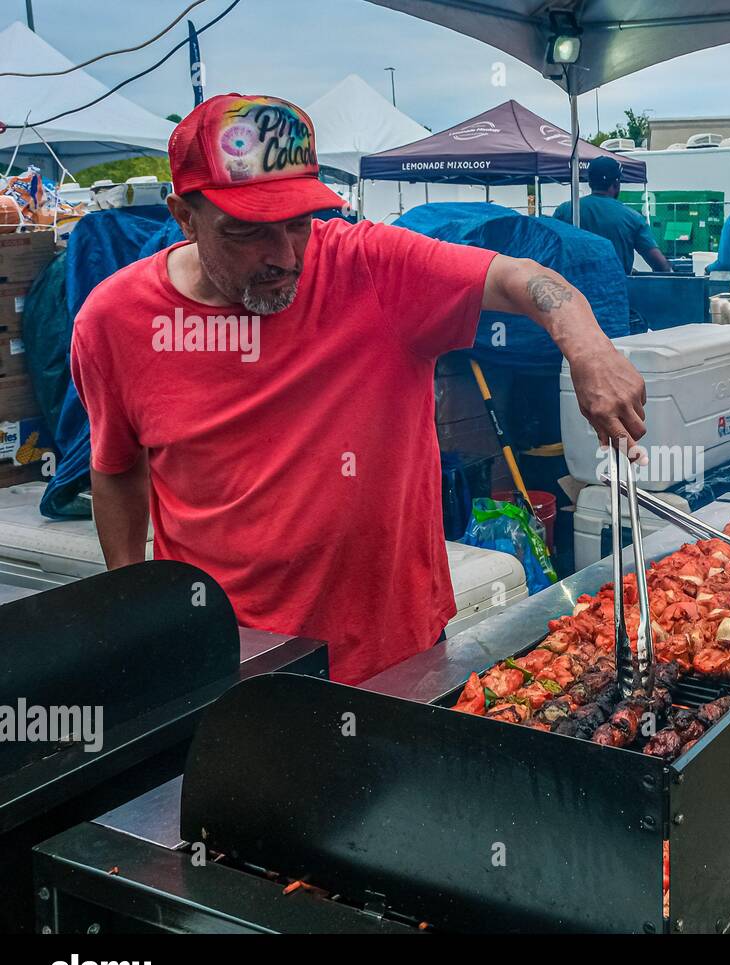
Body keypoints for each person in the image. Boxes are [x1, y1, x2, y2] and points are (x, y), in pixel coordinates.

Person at [71, 94, 647, 685]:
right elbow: (115, 465)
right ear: (183, 217)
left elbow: (523, 277)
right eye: (246, 232)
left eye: (298, 223)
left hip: (391, 657)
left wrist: (591, 351)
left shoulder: (370, 268)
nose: (284, 256)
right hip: (220, 657)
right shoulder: (115, 322)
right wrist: (133, 604)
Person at [552, 155, 672, 274]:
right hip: (614, 289)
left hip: (571, 289)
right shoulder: (632, 217)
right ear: (616, 183)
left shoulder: (564, 211)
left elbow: (550, 252)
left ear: (590, 183)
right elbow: (660, 265)